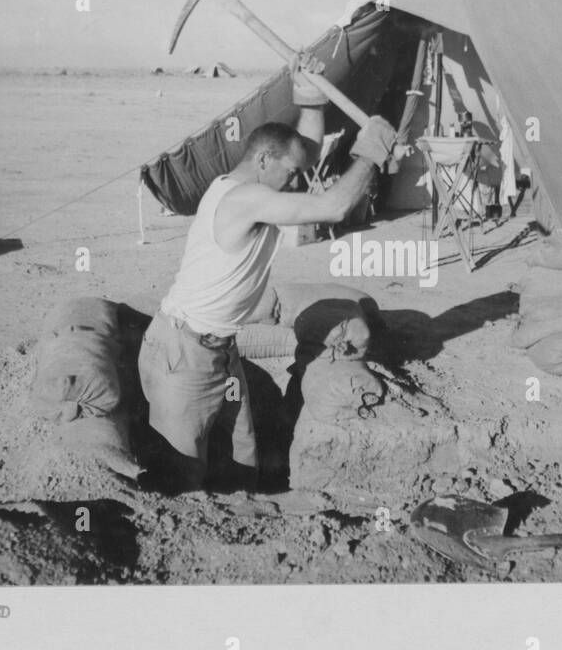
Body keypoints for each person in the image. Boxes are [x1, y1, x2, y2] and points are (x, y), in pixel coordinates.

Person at [138, 59, 397, 489]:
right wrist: (370, 152)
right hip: (183, 358)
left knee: (242, 452)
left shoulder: (261, 182)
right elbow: (333, 206)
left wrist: (308, 95)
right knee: (182, 477)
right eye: (291, 175)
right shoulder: (245, 199)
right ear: (262, 160)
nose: (297, 183)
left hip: (221, 354)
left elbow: (304, 151)